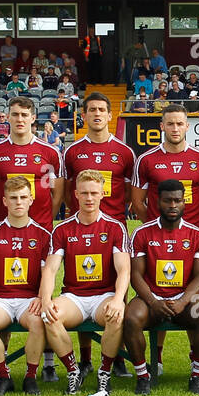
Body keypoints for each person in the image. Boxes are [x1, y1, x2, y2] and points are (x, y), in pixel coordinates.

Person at [130, 104, 199, 375]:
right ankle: (158, 359)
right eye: (170, 124)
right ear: (162, 127)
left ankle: (195, 359)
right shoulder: (147, 159)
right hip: (157, 239)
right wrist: (153, 228)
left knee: (192, 297)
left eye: (180, 124)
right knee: (158, 289)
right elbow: (137, 201)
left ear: (187, 126)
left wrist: (190, 228)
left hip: (191, 238)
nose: (175, 129)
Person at [61, 93, 137, 379]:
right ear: (84, 115)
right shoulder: (72, 152)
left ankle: (115, 356)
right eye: (91, 109)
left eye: (102, 110)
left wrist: (118, 214)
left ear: (109, 116)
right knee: (81, 285)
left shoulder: (124, 152)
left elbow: (130, 192)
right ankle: (85, 359)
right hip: (81, 228)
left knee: (118, 290)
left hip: (114, 228)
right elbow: (69, 189)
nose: (96, 114)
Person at [39, 170, 131, 396]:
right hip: (75, 297)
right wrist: (46, 300)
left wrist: (119, 299)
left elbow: (123, 269)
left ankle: (104, 373)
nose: (89, 198)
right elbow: (50, 269)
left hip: (104, 295)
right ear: (76, 194)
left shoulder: (115, 227)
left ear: (102, 194)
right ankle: (73, 371)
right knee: (49, 316)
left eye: (94, 193)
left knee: (115, 315)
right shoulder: (62, 229)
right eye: (84, 193)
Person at [124, 180, 199, 395]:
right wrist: (153, 302)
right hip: (150, 299)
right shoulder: (142, 233)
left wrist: (183, 302)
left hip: (184, 300)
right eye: (167, 201)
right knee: (130, 318)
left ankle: (197, 375)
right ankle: (143, 376)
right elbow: (135, 274)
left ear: (185, 202)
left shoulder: (197, 235)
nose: (172, 205)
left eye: (177, 200)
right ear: (157, 202)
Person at [0, 177, 57, 396]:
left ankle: (30, 377)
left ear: (31, 199)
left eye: (22, 197)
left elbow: (47, 273)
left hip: (29, 299)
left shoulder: (43, 235)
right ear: (4, 201)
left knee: (39, 321)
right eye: (13, 198)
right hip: (0, 299)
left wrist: (42, 297)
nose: (18, 202)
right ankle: (3, 376)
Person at [0, 97, 64, 225]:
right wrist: (0, 222)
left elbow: (58, 195)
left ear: (32, 118)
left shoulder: (51, 152)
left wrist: (45, 221)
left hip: (41, 228)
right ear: (8, 117)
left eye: (24, 115)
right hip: (5, 230)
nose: (20, 119)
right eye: (15, 114)